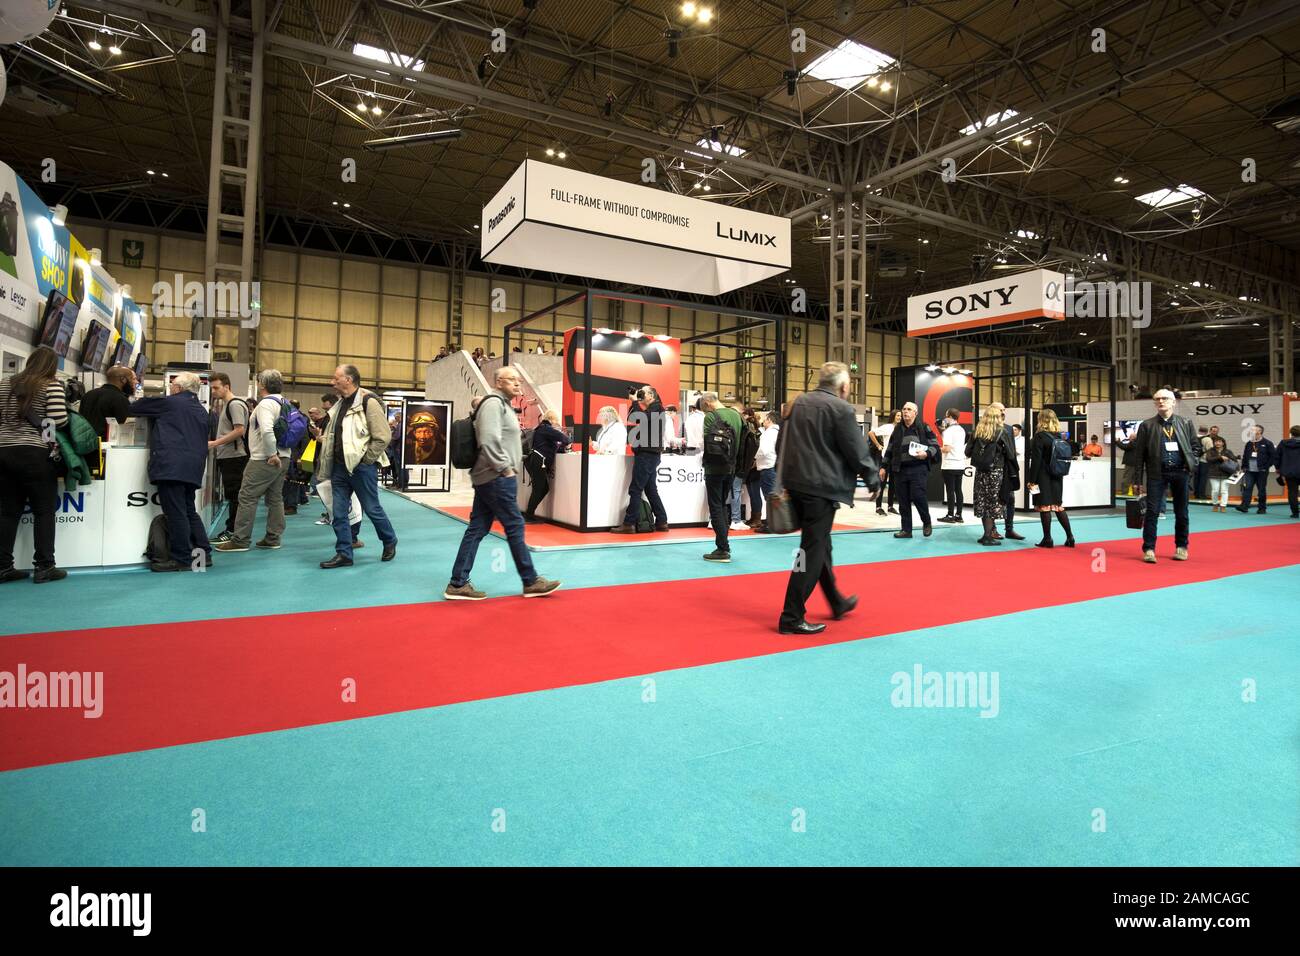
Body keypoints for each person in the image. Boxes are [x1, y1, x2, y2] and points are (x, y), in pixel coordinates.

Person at [776, 362, 880, 635]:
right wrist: (872, 478)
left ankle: (836, 601)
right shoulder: (841, 409)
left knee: (819, 545)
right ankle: (791, 616)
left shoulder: (798, 403)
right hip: (821, 489)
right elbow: (856, 451)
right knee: (810, 552)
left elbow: (781, 444)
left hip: (796, 485)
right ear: (844, 386)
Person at [444, 366, 561, 599]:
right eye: (511, 380)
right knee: (515, 525)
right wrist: (504, 468)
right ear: (498, 382)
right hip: (495, 477)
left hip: (489, 476)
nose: (517, 384)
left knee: (477, 528)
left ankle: (457, 584)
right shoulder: (493, 404)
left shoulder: (502, 405)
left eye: (518, 380)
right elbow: (489, 439)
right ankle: (530, 580)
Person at [127, 371, 213, 572]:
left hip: (171, 465)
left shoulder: (170, 402)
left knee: (176, 512)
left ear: (179, 388)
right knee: (189, 510)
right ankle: (203, 555)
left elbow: (134, 407)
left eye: (173, 384)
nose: (171, 387)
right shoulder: (202, 411)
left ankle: (181, 557)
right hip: (193, 467)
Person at [316, 364, 398, 568]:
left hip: (361, 468)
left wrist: (366, 460)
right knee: (338, 513)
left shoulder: (368, 402)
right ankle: (344, 553)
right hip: (339, 469)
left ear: (348, 380)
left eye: (336, 378)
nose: (332, 382)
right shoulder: (339, 405)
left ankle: (389, 540)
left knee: (372, 508)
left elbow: (383, 436)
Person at [0, 347, 69, 583]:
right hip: (34, 453)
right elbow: (57, 420)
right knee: (44, 511)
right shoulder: (51, 386)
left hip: (4, 451)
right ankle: (44, 566)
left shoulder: (4, 384)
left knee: (8, 512)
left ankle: (3, 566)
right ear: (52, 366)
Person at [216, 370, 293, 555]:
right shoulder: (284, 402)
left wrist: (271, 453)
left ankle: (240, 539)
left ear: (262, 385)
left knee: (247, 497)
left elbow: (266, 431)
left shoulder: (266, 404)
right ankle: (273, 538)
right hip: (284, 456)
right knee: (275, 499)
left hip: (264, 458)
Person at [1132, 388, 1200, 563]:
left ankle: (1182, 547)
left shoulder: (1185, 423)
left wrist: (1192, 464)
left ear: (1173, 402)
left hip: (1181, 473)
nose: (1161, 401)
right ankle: (1148, 549)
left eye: (1165, 398)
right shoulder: (1146, 425)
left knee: (1182, 512)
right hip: (1157, 473)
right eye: (1157, 399)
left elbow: (1196, 447)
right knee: (1152, 512)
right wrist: (1137, 480)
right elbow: (1139, 455)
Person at [612, 386, 669, 533]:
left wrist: (635, 401)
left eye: (643, 393)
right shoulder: (655, 409)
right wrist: (635, 401)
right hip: (650, 454)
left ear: (651, 395)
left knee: (635, 489)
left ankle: (629, 523)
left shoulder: (656, 408)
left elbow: (639, 418)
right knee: (650, 490)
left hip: (647, 455)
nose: (641, 395)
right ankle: (662, 521)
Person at [880, 401, 939, 538]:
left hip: (918, 468)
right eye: (904, 409)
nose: (905, 411)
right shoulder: (897, 429)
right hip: (900, 469)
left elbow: (935, 446)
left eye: (909, 409)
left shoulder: (923, 427)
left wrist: (926, 454)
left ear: (915, 413)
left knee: (918, 497)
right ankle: (906, 530)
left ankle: (927, 522)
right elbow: (890, 449)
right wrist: (883, 466)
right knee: (903, 501)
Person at [700, 392, 743, 562]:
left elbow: (706, 443)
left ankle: (722, 549)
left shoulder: (710, 417)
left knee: (716, 506)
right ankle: (723, 545)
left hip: (714, 468)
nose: (705, 412)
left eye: (704, 408)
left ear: (708, 403)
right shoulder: (737, 415)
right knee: (723, 505)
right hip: (731, 469)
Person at [207, 372, 249, 544]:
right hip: (228, 456)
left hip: (235, 457)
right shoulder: (227, 405)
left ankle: (233, 531)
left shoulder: (234, 405)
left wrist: (216, 442)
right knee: (233, 495)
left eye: (216, 388)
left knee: (235, 496)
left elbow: (240, 430)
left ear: (227, 386)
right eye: (212, 388)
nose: (213, 391)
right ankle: (232, 529)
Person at [1026, 409, 1075, 548]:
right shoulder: (1060, 436)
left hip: (1043, 475)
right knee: (1058, 506)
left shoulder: (1040, 437)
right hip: (1057, 475)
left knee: (1044, 507)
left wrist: (1031, 480)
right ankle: (1070, 537)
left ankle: (1047, 539)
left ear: (1041, 420)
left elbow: (1036, 461)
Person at [968, 406, 1016, 546]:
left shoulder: (977, 431)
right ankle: (988, 536)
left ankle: (985, 534)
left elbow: (967, 451)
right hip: (996, 471)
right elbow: (1011, 454)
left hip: (980, 471)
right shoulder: (1002, 432)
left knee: (982, 501)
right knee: (992, 503)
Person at [986, 404, 1025, 541]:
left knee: (1010, 499)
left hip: (1007, 469)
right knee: (993, 501)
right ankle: (992, 530)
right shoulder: (986, 427)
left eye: (1004, 410)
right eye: (1000, 410)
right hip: (992, 469)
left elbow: (1012, 451)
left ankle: (1009, 529)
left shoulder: (1008, 428)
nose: (1003, 412)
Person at [523, 409, 570, 520]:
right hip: (539, 461)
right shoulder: (547, 429)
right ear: (552, 419)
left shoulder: (541, 429)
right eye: (556, 420)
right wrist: (561, 443)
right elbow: (566, 439)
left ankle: (529, 514)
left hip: (535, 460)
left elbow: (549, 445)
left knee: (541, 488)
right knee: (540, 488)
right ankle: (529, 515)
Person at [78, 365, 135, 440]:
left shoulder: (88, 395)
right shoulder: (120, 399)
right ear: (123, 379)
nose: (134, 382)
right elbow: (125, 430)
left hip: (85, 445)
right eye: (132, 379)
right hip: (106, 448)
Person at [732, 408, 761, 530]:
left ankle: (754, 518)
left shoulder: (747, 430)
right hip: (747, 465)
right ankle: (748, 518)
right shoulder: (754, 432)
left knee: (750, 492)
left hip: (746, 465)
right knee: (745, 492)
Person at [1236, 425, 1275, 514]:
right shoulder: (1249, 443)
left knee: (1261, 489)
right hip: (1249, 470)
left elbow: (1273, 457)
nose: (1250, 431)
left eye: (1253, 430)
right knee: (1248, 488)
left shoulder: (1267, 443)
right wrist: (1243, 467)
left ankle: (1262, 508)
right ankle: (1244, 506)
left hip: (1262, 471)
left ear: (1259, 432)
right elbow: (1245, 455)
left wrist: (1266, 467)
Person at [868, 409, 900, 516]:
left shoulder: (902, 428)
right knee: (882, 483)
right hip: (885, 459)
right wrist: (878, 445)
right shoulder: (887, 427)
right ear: (893, 416)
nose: (899, 417)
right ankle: (878, 507)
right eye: (898, 416)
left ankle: (890, 506)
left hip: (895, 460)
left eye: (900, 416)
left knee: (893, 484)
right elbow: (871, 433)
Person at [938, 407, 967, 523]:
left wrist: (937, 448)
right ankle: (959, 515)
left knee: (950, 491)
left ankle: (950, 515)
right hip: (960, 464)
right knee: (958, 490)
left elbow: (947, 448)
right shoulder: (961, 430)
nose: (945, 419)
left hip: (949, 464)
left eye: (946, 416)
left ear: (950, 417)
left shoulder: (948, 431)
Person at [753, 411, 780, 531]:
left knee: (769, 497)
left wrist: (754, 458)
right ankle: (774, 522)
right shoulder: (779, 432)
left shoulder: (768, 434)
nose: (763, 422)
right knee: (774, 496)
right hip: (775, 467)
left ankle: (770, 525)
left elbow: (763, 450)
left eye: (765, 419)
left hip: (768, 467)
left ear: (769, 420)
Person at [1204, 436, 1239, 513]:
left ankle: (1223, 506)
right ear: (1214, 443)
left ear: (1223, 443)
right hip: (1213, 473)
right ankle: (1215, 504)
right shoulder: (1210, 451)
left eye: (1220, 441)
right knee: (1215, 490)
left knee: (1224, 491)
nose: (1218, 443)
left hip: (1226, 474)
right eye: (1216, 441)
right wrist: (1220, 457)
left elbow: (1235, 461)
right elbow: (1208, 459)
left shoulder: (1228, 451)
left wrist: (1228, 459)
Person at [1274, 424, 1300, 519]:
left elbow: (1277, 457)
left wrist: (1278, 468)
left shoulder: (1284, 443)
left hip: (1289, 472)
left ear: (1291, 433)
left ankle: (1295, 512)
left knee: (1292, 492)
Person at [1194, 426, 1213, 499]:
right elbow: (1210, 450)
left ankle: (1196, 494)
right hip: (1204, 460)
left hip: (1194, 461)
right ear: (1207, 432)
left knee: (1196, 478)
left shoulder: (1193, 437)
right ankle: (1201, 495)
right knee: (1203, 478)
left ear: (1199, 430)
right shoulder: (1207, 439)